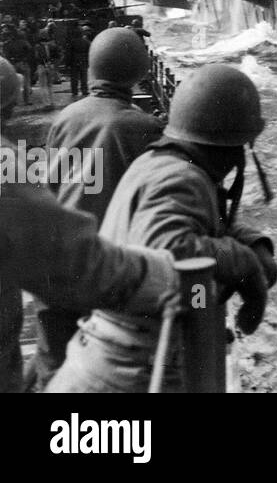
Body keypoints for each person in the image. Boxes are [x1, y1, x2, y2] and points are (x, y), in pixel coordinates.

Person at [47, 64, 277, 394]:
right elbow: (167, 247)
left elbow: (200, 222)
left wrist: (253, 243)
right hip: (134, 374)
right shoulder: (183, 178)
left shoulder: (161, 164)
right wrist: (245, 266)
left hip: (110, 357)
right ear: (238, 145)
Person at [0, 59, 179, 393]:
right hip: (90, 259)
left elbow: (49, 185)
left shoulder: (67, 118)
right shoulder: (143, 126)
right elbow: (79, 260)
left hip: (49, 282)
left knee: (50, 357)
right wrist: (167, 275)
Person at [65, 23, 93, 98]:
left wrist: (67, 63)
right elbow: (90, 52)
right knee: (84, 77)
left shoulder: (72, 42)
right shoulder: (86, 42)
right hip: (83, 60)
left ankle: (75, 92)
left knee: (74, 77)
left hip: (74, 61)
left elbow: (69, 53)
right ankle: (84, 90)